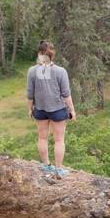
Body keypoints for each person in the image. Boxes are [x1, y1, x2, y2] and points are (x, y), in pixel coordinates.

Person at [26, 40, 76, 177]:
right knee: (59, 140)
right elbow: (66, 94)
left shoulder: (32, 71)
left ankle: (46, 166)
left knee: (42, 138)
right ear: (53, 55)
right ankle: (59, 170)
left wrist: (30, 109)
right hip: (58, 110)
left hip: (40, 110)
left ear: (39, 54)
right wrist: (72, 110)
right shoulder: (60, 71)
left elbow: (30, 94)